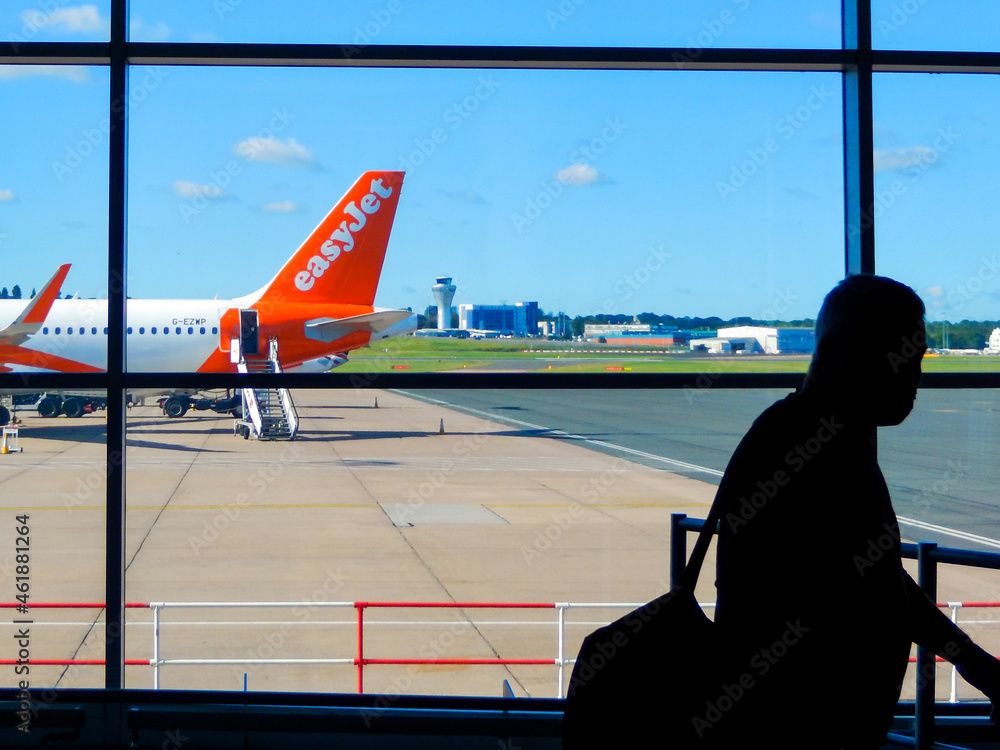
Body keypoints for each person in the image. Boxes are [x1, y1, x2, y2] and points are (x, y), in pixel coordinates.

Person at [709, 274, 1000, 749]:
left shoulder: (821, 437)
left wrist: (973, 661)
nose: (912, 377)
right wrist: (975, 662)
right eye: (894, 358)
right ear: (831, 357)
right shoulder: (806, 451)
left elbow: (872, 571)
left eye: (917, 359)